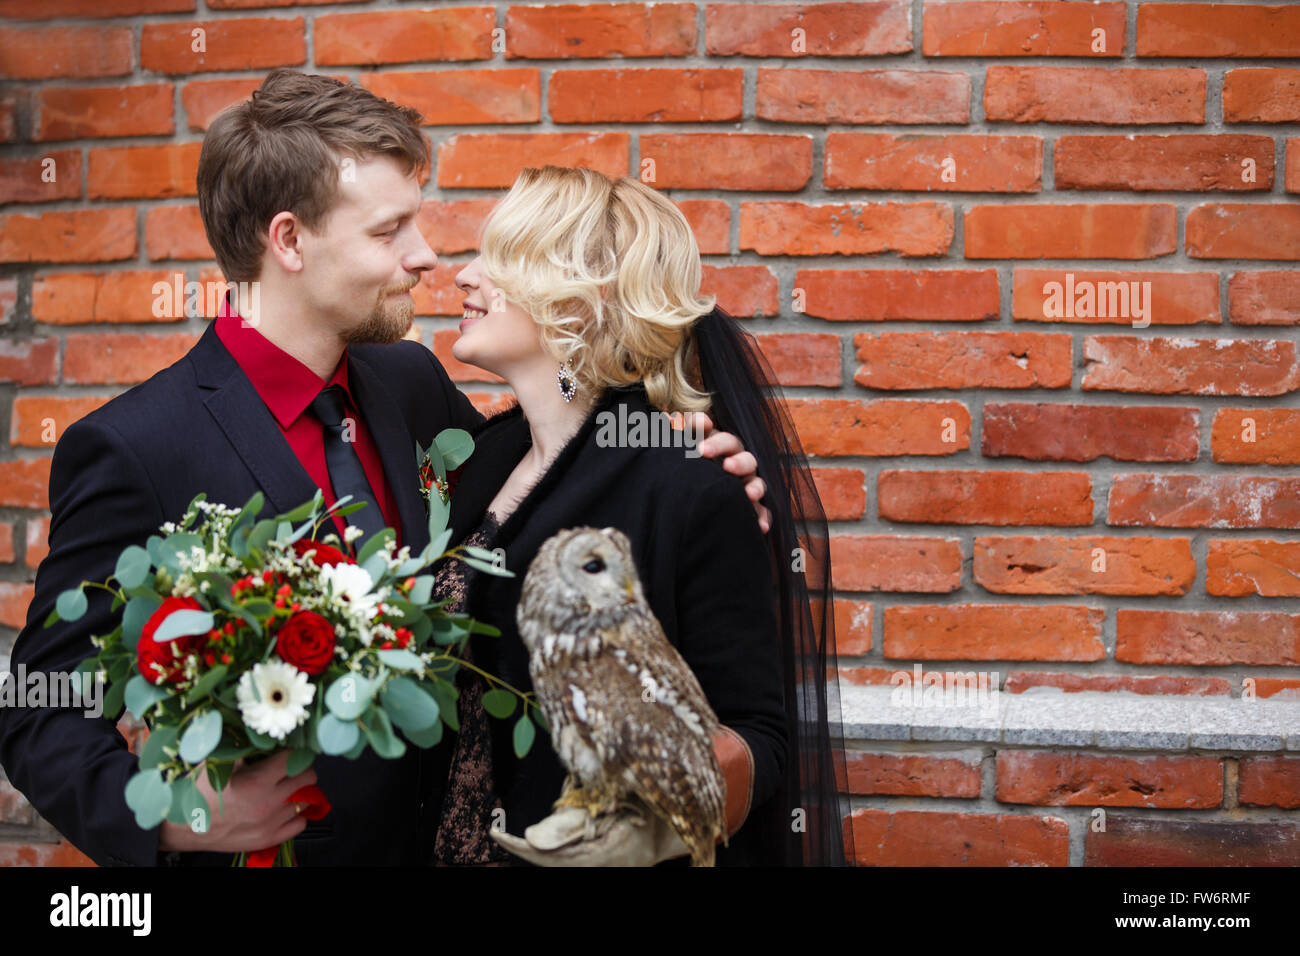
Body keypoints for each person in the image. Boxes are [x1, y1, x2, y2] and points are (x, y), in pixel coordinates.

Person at [0, 70, 764, 867]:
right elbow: (38, 710)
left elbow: (556, 490)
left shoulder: (412, 385)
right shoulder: (135, 446)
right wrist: (176, 816)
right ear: (289, 241)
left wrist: (695, 459)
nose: (425, 255)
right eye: (387, 231)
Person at [431, 165, 852, 866]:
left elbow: (761, 733)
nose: (465, 276)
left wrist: (643, 823)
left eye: (499, 259)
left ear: (578, 300)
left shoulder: (689, 486)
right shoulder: (475, 460)